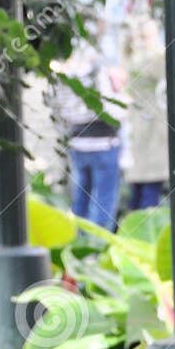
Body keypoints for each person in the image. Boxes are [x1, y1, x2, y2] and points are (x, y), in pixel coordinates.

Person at [53, 44, 124, 230]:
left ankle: (78, 242)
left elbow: (60, 112)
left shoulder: (63, 76)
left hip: (78, 143)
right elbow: (112, 110)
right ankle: (96, 246)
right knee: (104, 201)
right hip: (103, 143)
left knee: (81, 197)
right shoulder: (97, 72)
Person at [122, 17, 169, 212]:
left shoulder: (130, 57)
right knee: (149, 188)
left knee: (139, 189)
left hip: (139, 124)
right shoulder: (150, 58)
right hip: (150, 127)